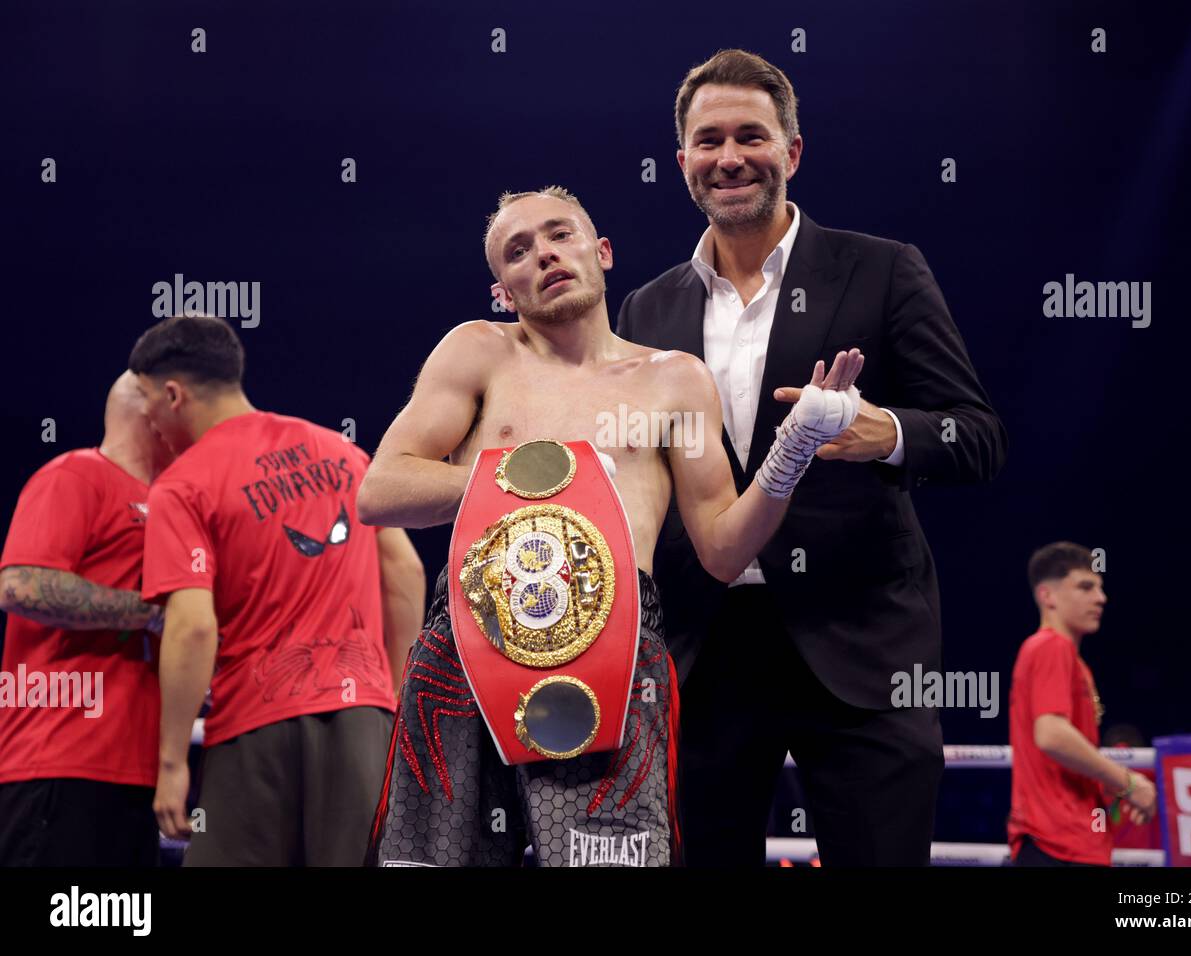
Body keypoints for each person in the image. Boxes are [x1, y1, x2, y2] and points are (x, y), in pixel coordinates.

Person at [358, 185, 863, 867]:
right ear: (501, 289)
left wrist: (791, 451)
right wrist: (541, 484)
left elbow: (721, 547)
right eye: (518, 251)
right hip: (468, 633)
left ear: (602, 252)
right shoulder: (478, 351)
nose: (543, 253)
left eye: (559, 235)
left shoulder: (675, 381)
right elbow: (381, 489)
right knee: (436, 860)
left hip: (617, 641)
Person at [616, 48, 1008, 865]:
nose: (730, 157)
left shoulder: (882, 270)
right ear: (681, 159)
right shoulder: (647, 307)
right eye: (709, 140)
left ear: (792, 152)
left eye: (751, 136)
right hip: (705, 651)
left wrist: (886, 433)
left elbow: (978, 436)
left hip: (863, 645)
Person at [129, 315, 427, 866]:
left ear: (173, 394)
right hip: (362, 718)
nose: (147, 420)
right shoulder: (342, 453)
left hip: (254, 728)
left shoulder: (183, 484)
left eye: (147, 402)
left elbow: (193, 626)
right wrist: (386, 700)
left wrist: (171, 762)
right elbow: (406, 576)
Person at [0, 371, 172, 866]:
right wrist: (157, 615)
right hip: (61, 758)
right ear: (154, 408)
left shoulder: (171, 505)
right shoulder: (75, 473)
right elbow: (22, 586)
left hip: (137, 771)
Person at [1007, 541, 1157, 866]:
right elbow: (1051, 735)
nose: (1100, 598)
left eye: (1100, 588)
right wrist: (1129, 782)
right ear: (1048, 596)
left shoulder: (1070, 661)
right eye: (1085, 587)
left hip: (1066, 838)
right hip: (1059, 842)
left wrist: (1112, 788)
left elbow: (1066, 753)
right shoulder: (1050, 647)